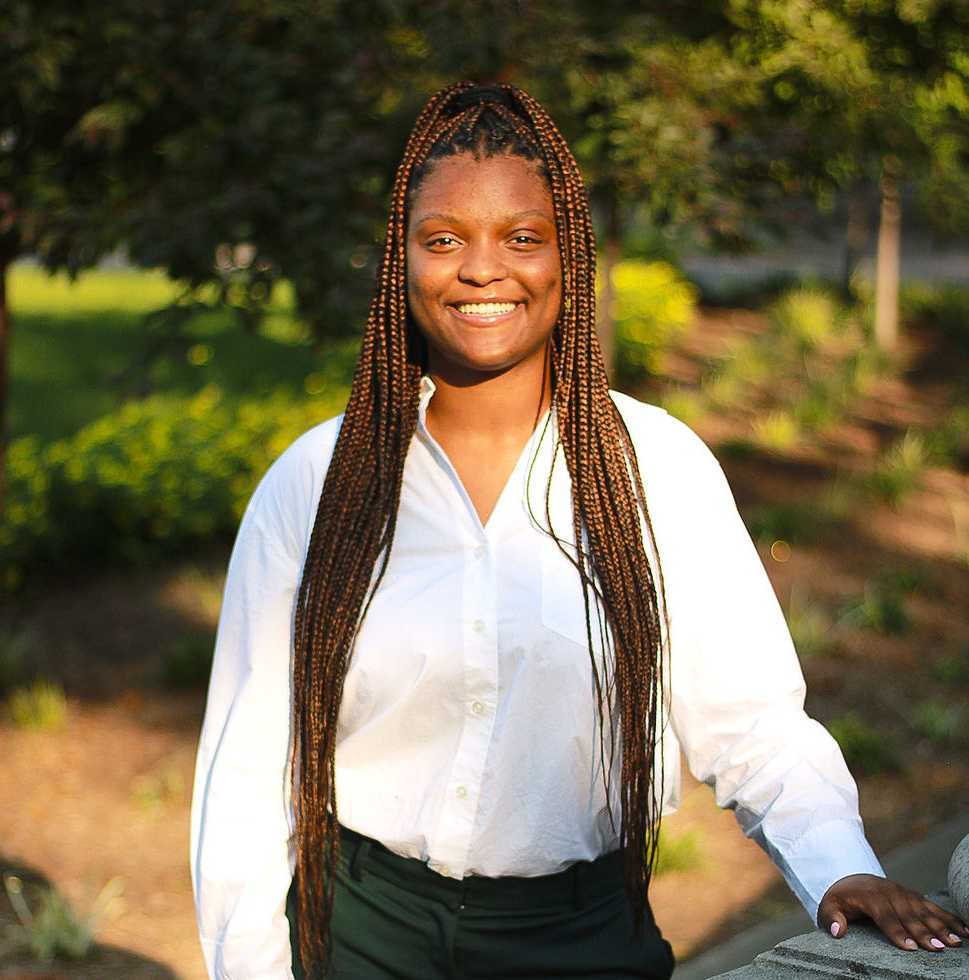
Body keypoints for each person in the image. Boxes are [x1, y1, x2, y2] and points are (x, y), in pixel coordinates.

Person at [190, 81, 968, 979]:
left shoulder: (656, 470)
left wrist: (842, 867)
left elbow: (751, 723)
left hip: (578, 936)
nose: (483, 269)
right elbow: (250, 769)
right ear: (400, 264)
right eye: (444, 240)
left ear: (571, 258)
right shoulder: (318, 484)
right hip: (362, 930)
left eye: (522, 237)